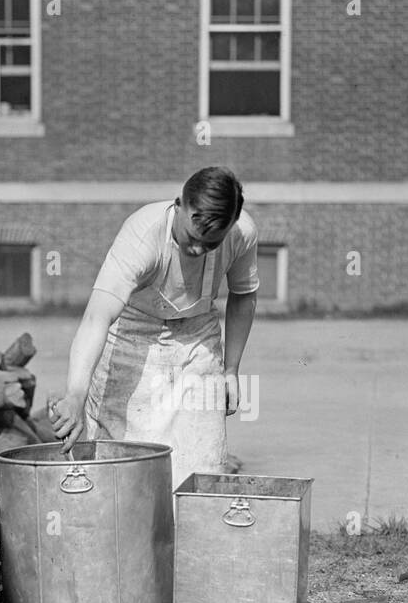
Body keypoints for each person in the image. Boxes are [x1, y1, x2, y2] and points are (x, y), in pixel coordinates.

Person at [48, 167, 258, 486]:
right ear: (179, 205)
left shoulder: (242, 234)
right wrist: (75, 395)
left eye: (211, 243)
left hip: (198, 335)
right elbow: (97, 318)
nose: (198, 250)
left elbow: (243, 296)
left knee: (201, 458)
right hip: (133, 332)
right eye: (192, 238)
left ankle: (191, 530)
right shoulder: (142, 235)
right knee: (121, 459)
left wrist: (231, 369)